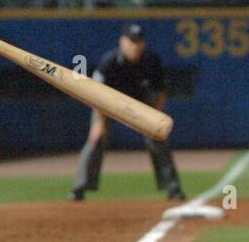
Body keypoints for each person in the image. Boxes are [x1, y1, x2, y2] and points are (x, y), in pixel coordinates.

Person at [70, 24, 184, 201]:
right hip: (108, 103)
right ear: (122, 42)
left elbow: (161, 92)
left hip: (141, 104)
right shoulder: (109, 62)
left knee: (158, 139)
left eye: (139, 41)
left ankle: (173, 188)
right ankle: (79, 189)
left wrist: (155, 120)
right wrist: (100, 123)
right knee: (96, 139)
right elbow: (94, 93)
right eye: (131, 41)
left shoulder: (152, 60)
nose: (135, 45)